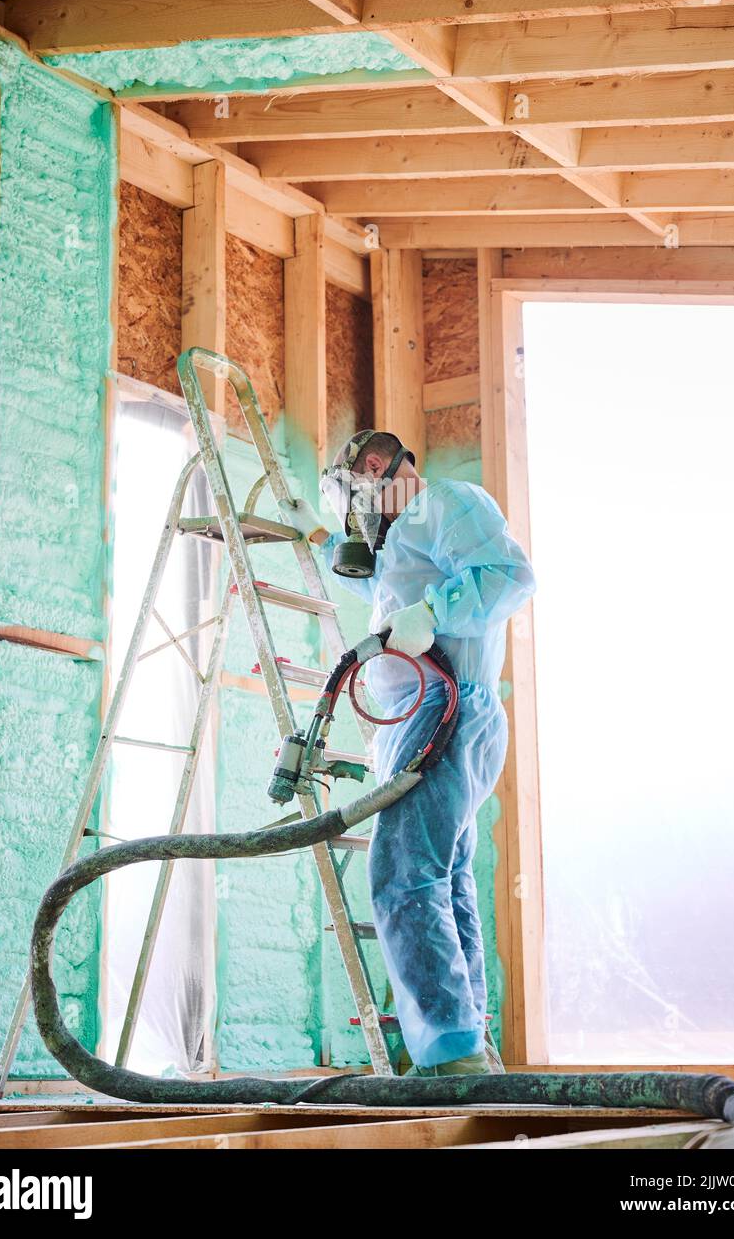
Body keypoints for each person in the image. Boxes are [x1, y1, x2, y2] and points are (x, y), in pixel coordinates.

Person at [280, 430, 535, 1075]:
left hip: (444, 711)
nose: (354, 513)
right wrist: (319, 539)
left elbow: (509, 574)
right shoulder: (403, 539)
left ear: (372, 468)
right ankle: (467, 1045)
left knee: (402, 871)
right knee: (441, 879)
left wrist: (436, 612)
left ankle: (451, 1055)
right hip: (425, 719)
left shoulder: (445, 502)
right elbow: (391, 597)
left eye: (348, 496)